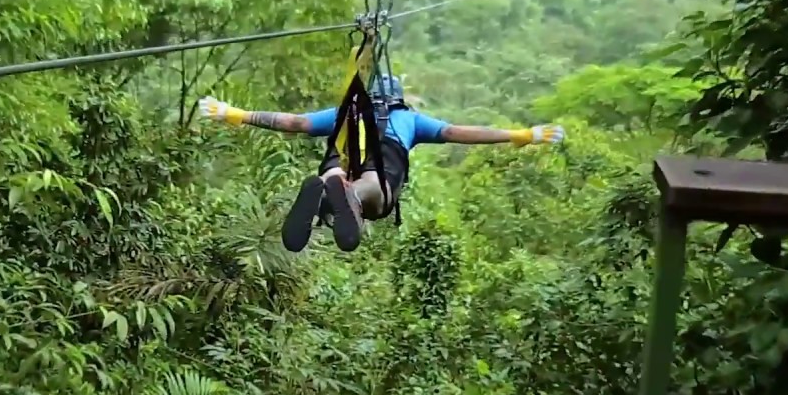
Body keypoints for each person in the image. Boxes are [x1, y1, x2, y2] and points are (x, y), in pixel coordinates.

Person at [197, 74, 565, 253]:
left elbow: (296, 123)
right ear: (399, 98)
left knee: (335, 172)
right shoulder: (410, 119)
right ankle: (351, 198)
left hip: (342, 154)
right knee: (373, 189)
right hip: (382, 169)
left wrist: (235, 114)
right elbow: (459, 132)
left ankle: (328, 194)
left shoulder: (347, 111)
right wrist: (519, 135)